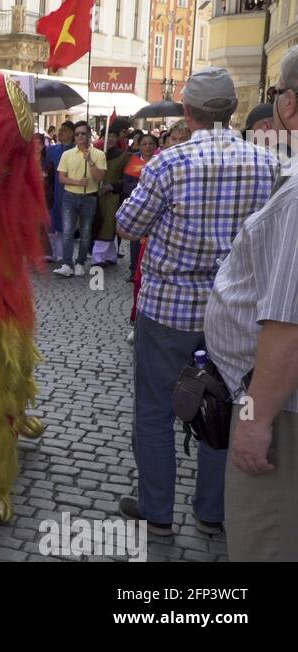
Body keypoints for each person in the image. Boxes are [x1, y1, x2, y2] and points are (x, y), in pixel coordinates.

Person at [115, 67, 279, 536]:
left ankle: (157, 512)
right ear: (233, 110)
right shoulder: (267, 165)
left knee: (153, 409)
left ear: (187, 112)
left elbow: (127, 226)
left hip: (169, 307)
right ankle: (213, 511)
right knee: (226, 406)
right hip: (237, 311)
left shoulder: (168, 163)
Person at [204, 46, 298, 561]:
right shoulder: (277, 168)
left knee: (265, 541)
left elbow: (288, 323)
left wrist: (256, 420)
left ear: (288, 104)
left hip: (281, 411)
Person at [53, 120, 106, 277]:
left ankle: (81, 262)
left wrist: (90, 160)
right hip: (70, 196)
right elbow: (62, 178)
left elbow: (99, 178)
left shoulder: (98, 154)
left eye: (83, 133)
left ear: (89, 135)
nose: (80, 136)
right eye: (77, 134)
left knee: (86, 232)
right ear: (74, 137)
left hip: (89, 198)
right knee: (68, 231)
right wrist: (77, 182)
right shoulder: (67, 154)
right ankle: (67, 263)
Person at [121, 133, 159, 283]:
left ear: (156, 146)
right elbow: (127, 183)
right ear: (139, 146)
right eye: (144, 144)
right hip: (138, 206)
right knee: (136, 240)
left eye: (151, 144)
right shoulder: (135, 161)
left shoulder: (159, 161)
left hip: (155, 206)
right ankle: (133, 270)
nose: (148, 147)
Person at [92, 130, 130, 266]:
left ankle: (97, 257)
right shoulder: (93, 154)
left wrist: (112, 186)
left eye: (113, 136)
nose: (110, 139)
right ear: (102, 138)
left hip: (112, 197)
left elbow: (128, 178)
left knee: (107, 224)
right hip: (94, 194)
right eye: (108, 136)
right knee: (96, 223)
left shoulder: (123, 156)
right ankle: (111, 255)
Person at [44, 121, 75, 262]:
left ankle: (63, 254)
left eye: (64, 130)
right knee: (51, 222)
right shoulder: (52, 150)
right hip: (52, 191)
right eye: (59, 130)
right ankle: (52, 252)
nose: (60, 132)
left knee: (65, 224)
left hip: (68, 191)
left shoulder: (76, 151)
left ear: (72, 133)